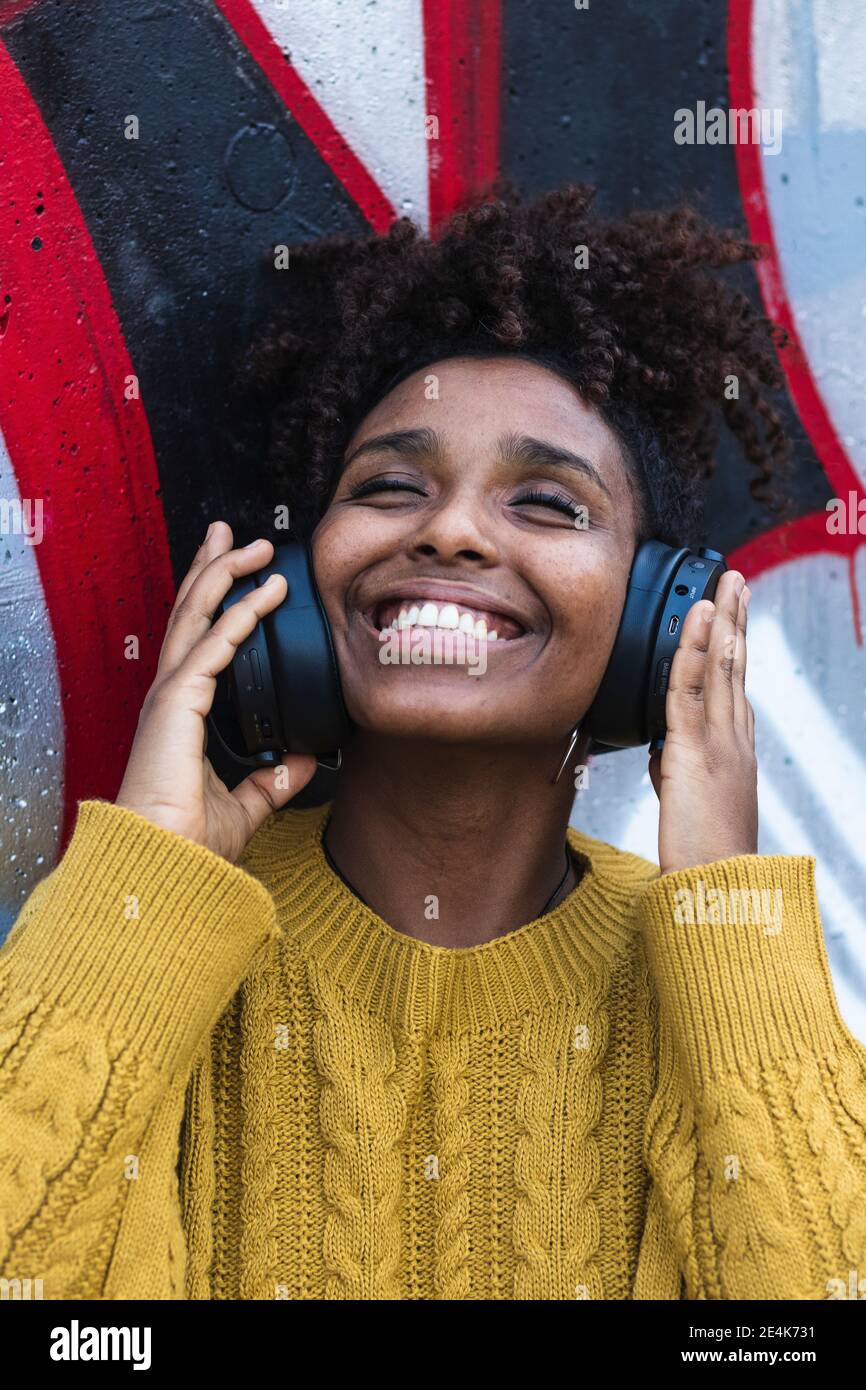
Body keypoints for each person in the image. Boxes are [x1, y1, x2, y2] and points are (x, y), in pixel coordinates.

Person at [2, 184, 864, 1301]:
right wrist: (142, 890)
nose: (449, 530)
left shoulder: (718, 999)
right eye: (390, 487)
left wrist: (728, 918)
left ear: (658, 622)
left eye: (547, 504)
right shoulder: (157, 959)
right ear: (297, 599)